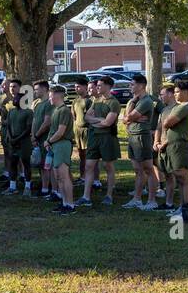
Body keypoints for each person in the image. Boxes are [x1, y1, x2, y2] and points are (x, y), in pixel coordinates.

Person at [156, 81, 188, 223]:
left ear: (186, 92)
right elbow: (162, 124)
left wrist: (167, 120)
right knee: (179, 178)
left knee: (183, 177)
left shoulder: (184, 107)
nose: (176, 94)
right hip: (174, 145)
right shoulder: (179, 107)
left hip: (180, 146)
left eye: (178, 92)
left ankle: (186, 209)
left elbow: (167, 123)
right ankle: (182, 206)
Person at [78, 76, 120, 206]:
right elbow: (87, 117)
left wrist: (97, 121)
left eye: (100, 85)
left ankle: (109, 195)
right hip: (94, 138)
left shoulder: (114, 102)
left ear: (108, 86)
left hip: (107, 138)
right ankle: (86, 196)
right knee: (89, 166)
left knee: (108, 166)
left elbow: (108, 123)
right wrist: (99, 120)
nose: (97, 87)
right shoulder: (96, 100)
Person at [122, 74, 159, 210]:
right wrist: (131, 116)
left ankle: (152, 200)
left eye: (132, 84)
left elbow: (129, 117)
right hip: (132, 136)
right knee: (138, 170)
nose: (130, 86)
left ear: (141, 85)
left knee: (148, 169)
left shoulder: (146, 101)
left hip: (142, 137)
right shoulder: (134, 100)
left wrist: (130, 118)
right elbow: (125, 119)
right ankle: (136, 199)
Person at [45, 85, 77, 213]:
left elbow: (60, 132)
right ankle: (64, 203)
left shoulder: (64, 110)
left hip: (62, 144)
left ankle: (70, 205)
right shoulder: (56, 110)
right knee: (58, 176)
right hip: (55, 145)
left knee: (64, 176)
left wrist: (48, 141)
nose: (50, 99)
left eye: (51, 96)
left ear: (58, 96)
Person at [2, 83, 33, 195]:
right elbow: (8, 125)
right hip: (12, 142)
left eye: (17, 98)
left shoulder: (28, 112)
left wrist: (17, 138)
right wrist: (10, 137)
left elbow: (28, 129)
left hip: (24, 143)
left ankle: (28, 186)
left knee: (26, 164)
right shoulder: (12, 111)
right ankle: (12, 186)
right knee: (12, 164)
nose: (14, 100)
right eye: (14, 98)